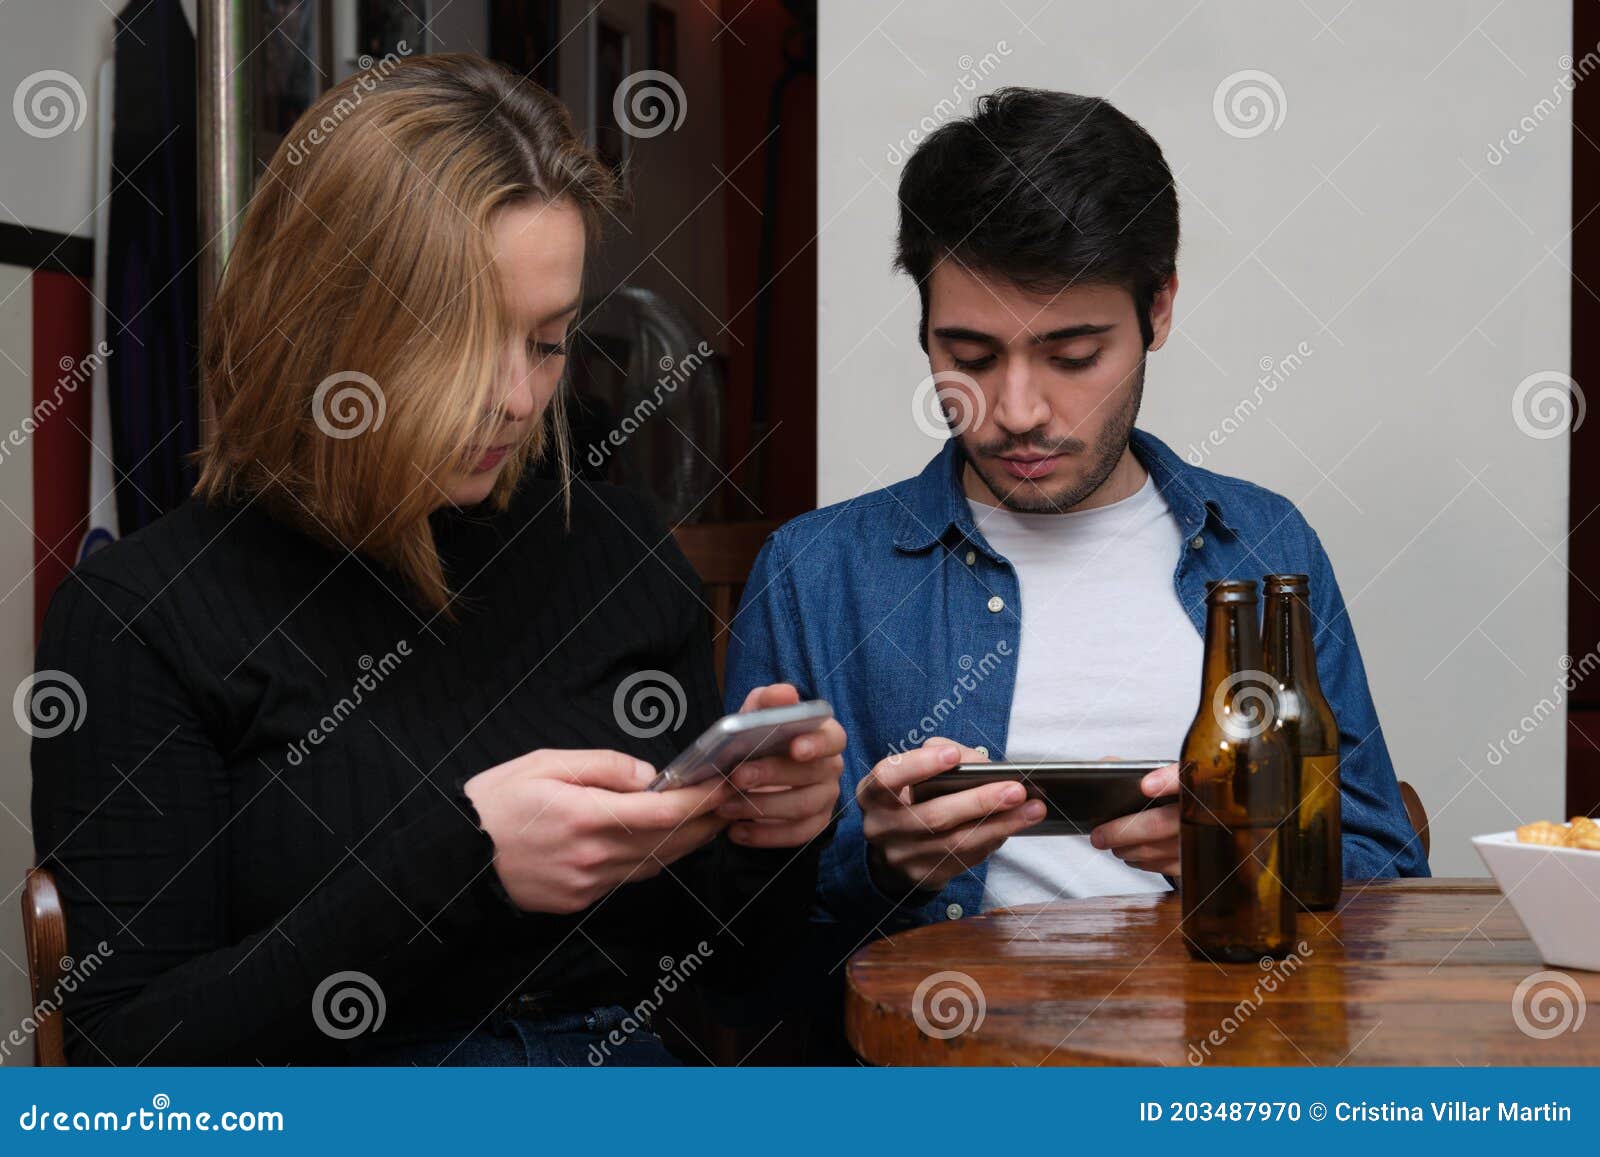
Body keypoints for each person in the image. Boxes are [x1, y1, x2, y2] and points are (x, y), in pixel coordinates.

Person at [28, 54, 843, 1066]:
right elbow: (126, 1068)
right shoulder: (142, 616)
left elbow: (732, 974)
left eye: (548, 343)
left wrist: (777, 833)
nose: (514, 396)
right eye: (464, 345)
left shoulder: (614, 550)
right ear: (326, 327)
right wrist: (465, 866)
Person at [725, 88, 1428, 954]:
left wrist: (1236, 857)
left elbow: (1387, 877)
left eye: (1073, 356)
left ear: (1158, 311)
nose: (1018, 410)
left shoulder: (1266, 543)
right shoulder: (816, 572)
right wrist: (878, 868)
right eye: (970, 357)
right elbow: (737, 960)